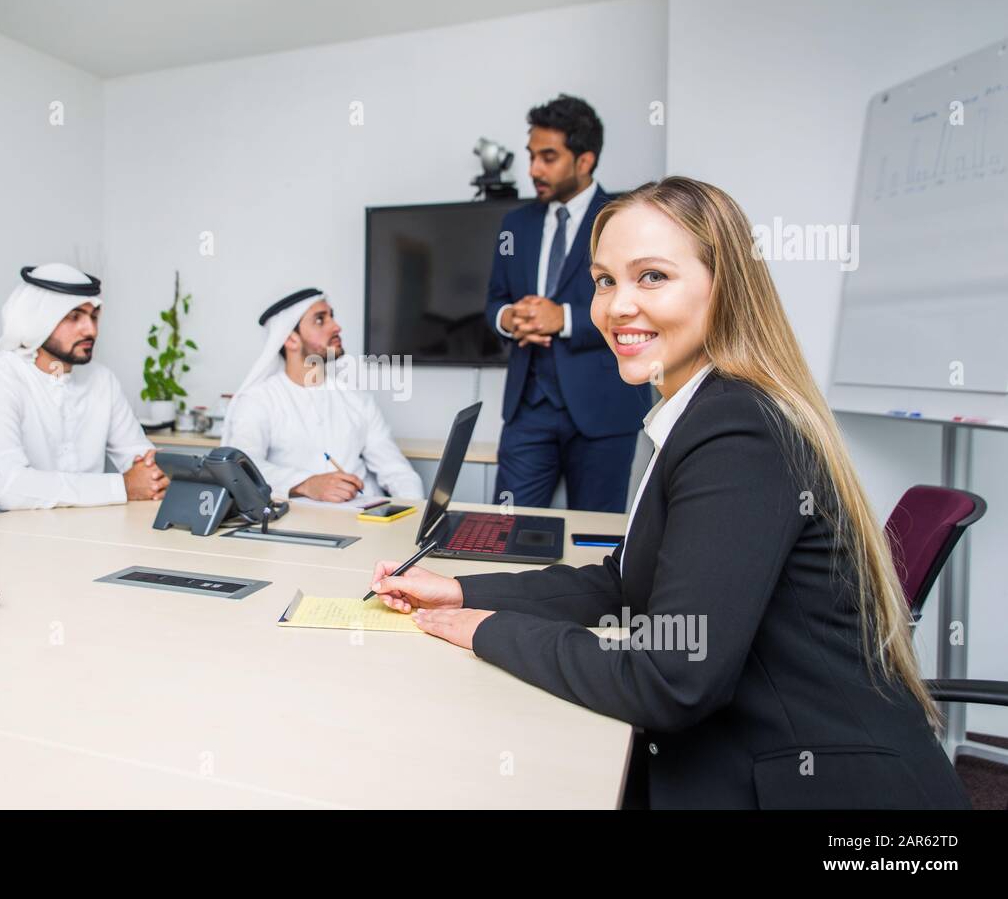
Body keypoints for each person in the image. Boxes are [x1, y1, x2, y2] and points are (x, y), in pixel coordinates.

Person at [369, 177, 968, 809]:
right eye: (604, 280)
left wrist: (486, 630)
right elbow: (625, 584)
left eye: (651, 276)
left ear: (725, 286)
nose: (617, 306)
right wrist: (461, 590)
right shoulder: (704, 410)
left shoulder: (738, 431)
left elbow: (672, 679)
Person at [487, 94, 651, 511]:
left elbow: (644, 306)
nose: (533, 170)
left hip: (604, 409)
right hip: (527, 411)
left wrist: (564, 319)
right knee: (505, 529)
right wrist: (511, 319)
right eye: (531, 156)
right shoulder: (515, 225)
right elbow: (494, 302)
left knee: (594, 541)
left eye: (548, 157)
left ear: (584, 161)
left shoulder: (624, 218)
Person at [0, 263, 168, 520]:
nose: (90, 329)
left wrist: (153, 474)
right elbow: (10, 488)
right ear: (38, 320)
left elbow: (141, 462)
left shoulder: (101, 380)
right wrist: (122, 486)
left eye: (93, 316)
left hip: (88, 537)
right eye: (74, 316)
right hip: (0, 547)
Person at [221, 288, 424, 503]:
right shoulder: (258, 401)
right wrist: (306, 484)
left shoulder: (358, 399)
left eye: (331, 317)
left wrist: (414, 513)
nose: (336, 327)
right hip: (297, 525)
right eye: (320, 320)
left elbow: (396, 470)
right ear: (290, 339)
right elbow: (242, 466)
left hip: (366, 517)